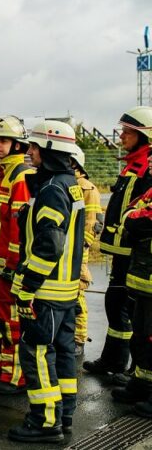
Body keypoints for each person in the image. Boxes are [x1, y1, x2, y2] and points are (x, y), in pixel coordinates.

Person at [7, 120, 84, 443]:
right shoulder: (69, 184)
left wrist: (26, 284)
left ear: (50, 151)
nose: (29, 152)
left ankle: (44, 421)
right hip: (66, 290)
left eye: (34, 147)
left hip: (46, 291)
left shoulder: (52, 190)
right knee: (64, 352)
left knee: (36, 351)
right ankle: (63, 414)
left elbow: (50, 245)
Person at [85, 106, 152, 381]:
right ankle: (114, 359)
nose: (121, 136)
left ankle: (131, 368)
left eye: (127, 132)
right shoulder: (134, 163)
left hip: (135, 251)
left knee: (131, 311)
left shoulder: (147, 166)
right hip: (122, 249)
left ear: (144, 136)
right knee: (116, 304)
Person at [0, 115, 34, 395]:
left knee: (13, 320)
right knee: (3, 317)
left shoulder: (19, 176)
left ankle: (17, 377)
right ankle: (5, 363)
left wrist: (14, 264)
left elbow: (19, 226)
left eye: (3, 141)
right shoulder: (6, 174)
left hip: (9, 266)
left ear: (17, 145)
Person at [115, 147, 152, 415]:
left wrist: (134, 220)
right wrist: (133, 219)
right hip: (143, 277)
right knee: (140, 334)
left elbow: (142, 220)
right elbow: (129, 213)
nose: (149, 163)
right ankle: (141, 383)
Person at [71, 146, 102, 357]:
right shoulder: (66, 183)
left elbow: (92, 223)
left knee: (78, 294)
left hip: (77, 251)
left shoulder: (87, 189)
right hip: (64, 249)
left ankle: (79, 339)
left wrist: (81, 247)